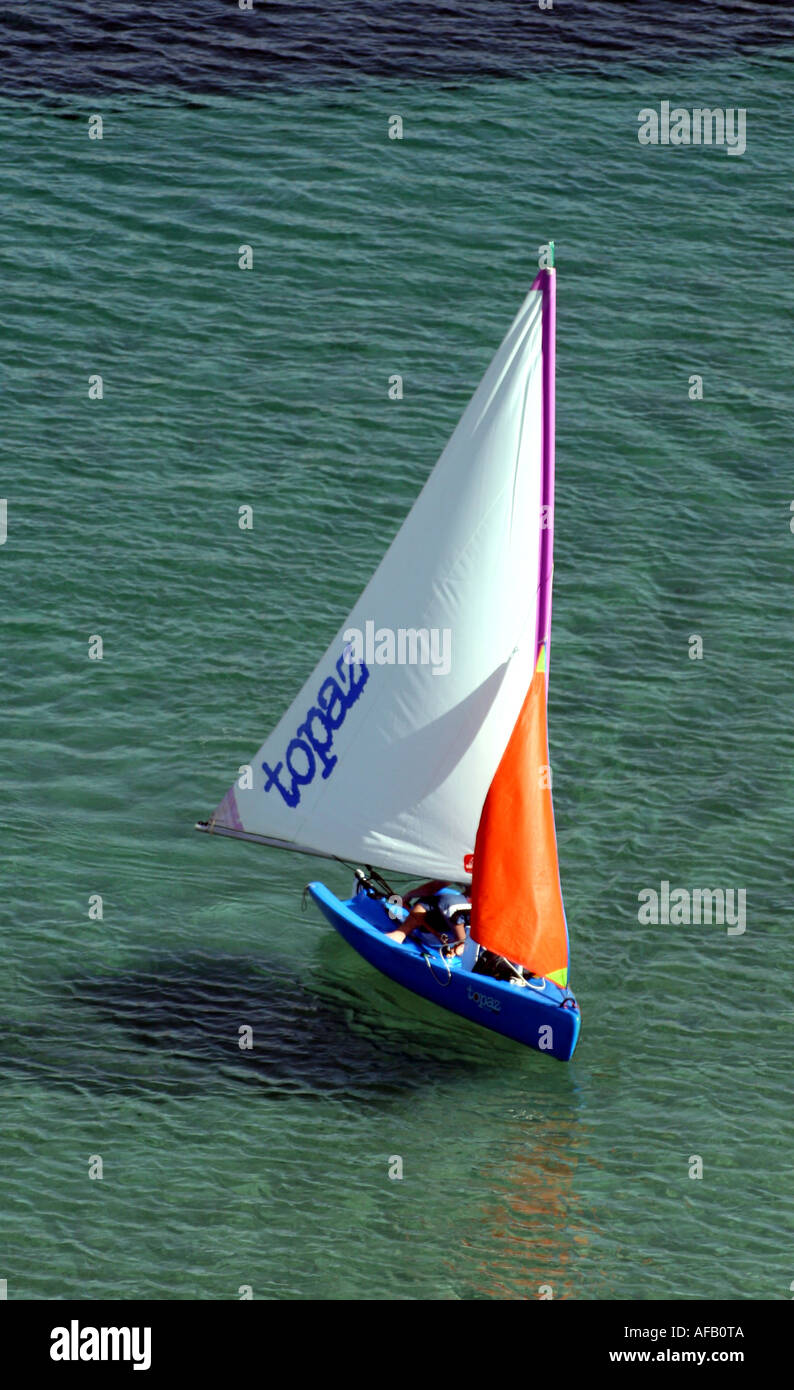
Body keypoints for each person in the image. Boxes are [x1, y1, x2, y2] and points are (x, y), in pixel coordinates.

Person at [386, 879, 470, 957]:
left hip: (467, 914)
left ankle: (400, 933)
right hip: (476, 923)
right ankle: (462, 944)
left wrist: (409, 895)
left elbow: (432, 888)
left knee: (429, 901)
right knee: (449, 900)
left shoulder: (466, 867)